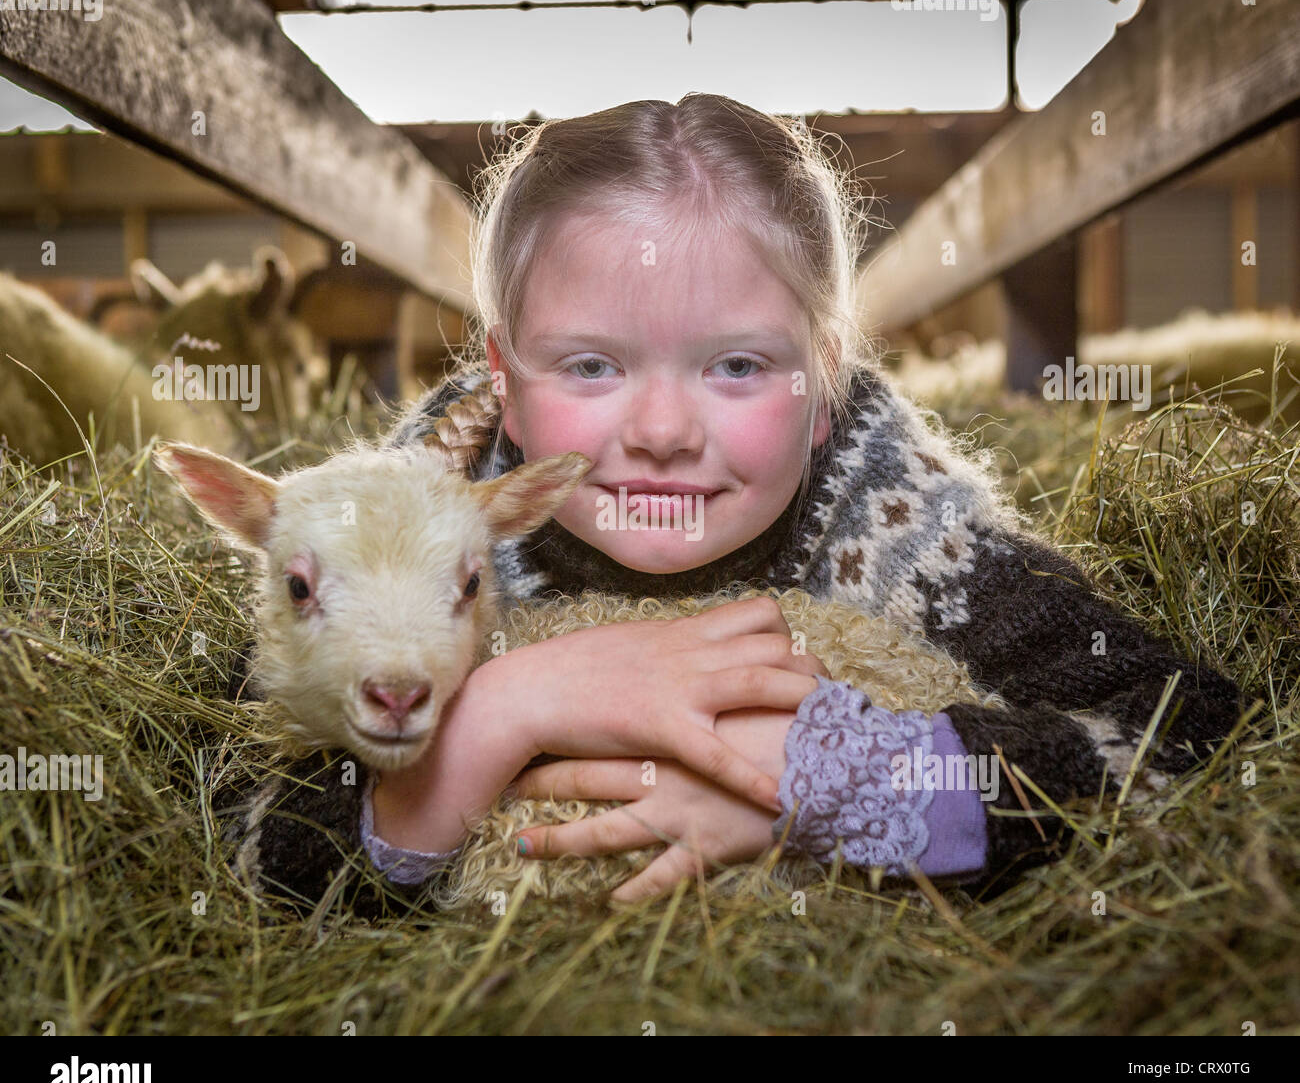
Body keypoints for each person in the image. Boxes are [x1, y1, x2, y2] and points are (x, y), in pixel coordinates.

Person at [220, 94, 1241, 916]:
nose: (663, 428)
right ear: (507, 383)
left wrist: (826, 780)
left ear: (825, 381)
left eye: (739, 364)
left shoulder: (892, 522)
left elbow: (1189, 744)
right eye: (589, 364)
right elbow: (234, 793)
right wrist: (495, 713)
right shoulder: (407, 521)